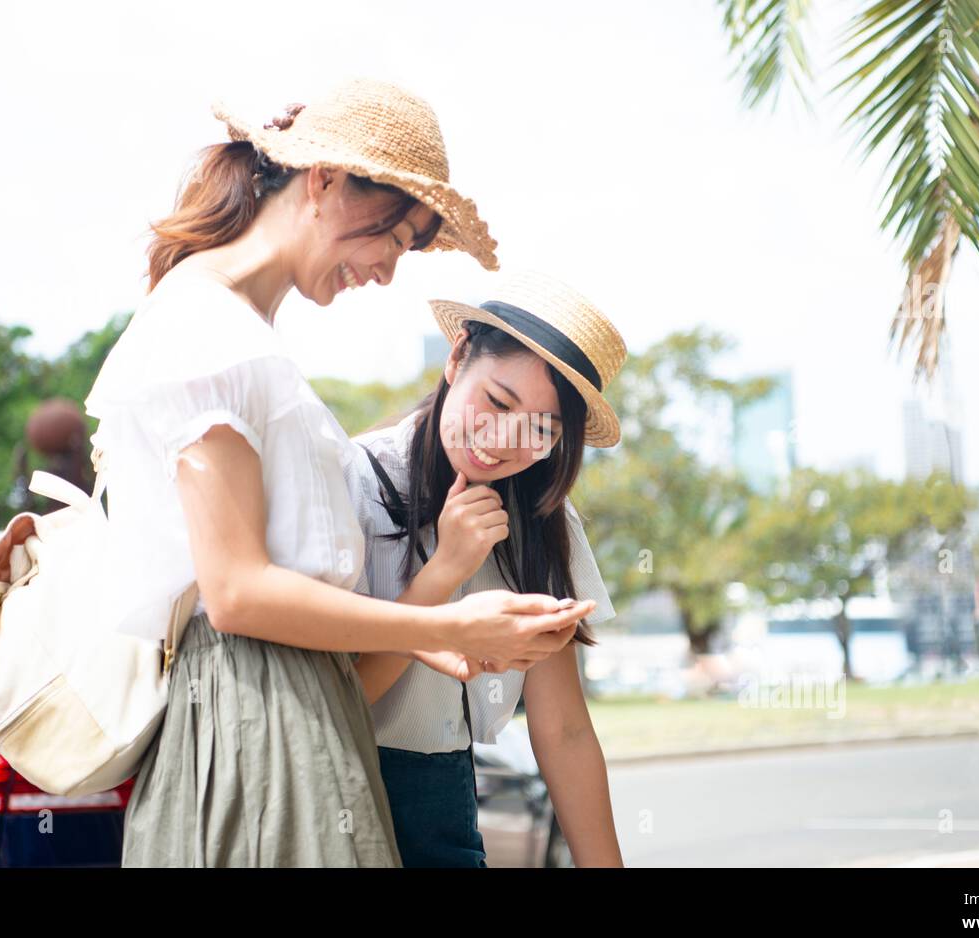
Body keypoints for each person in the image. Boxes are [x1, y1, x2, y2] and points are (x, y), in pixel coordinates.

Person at [83, 81, 595, 867]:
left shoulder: (236, 328)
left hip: (294, 716)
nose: (389, 271)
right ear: (323, 179)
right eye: (393, 235)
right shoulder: (204, 325)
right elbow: (238, 591)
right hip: (257, 718)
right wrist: (442, 624)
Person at [352, 271, 627, 867]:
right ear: (457, 357)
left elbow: (565, 731)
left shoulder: (541, 519)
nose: (502, 440)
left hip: (445, 801)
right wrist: (445, 570)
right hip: (340, 797)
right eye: (497, 402)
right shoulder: (354, 483)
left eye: (540, 430)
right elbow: (334, 702)